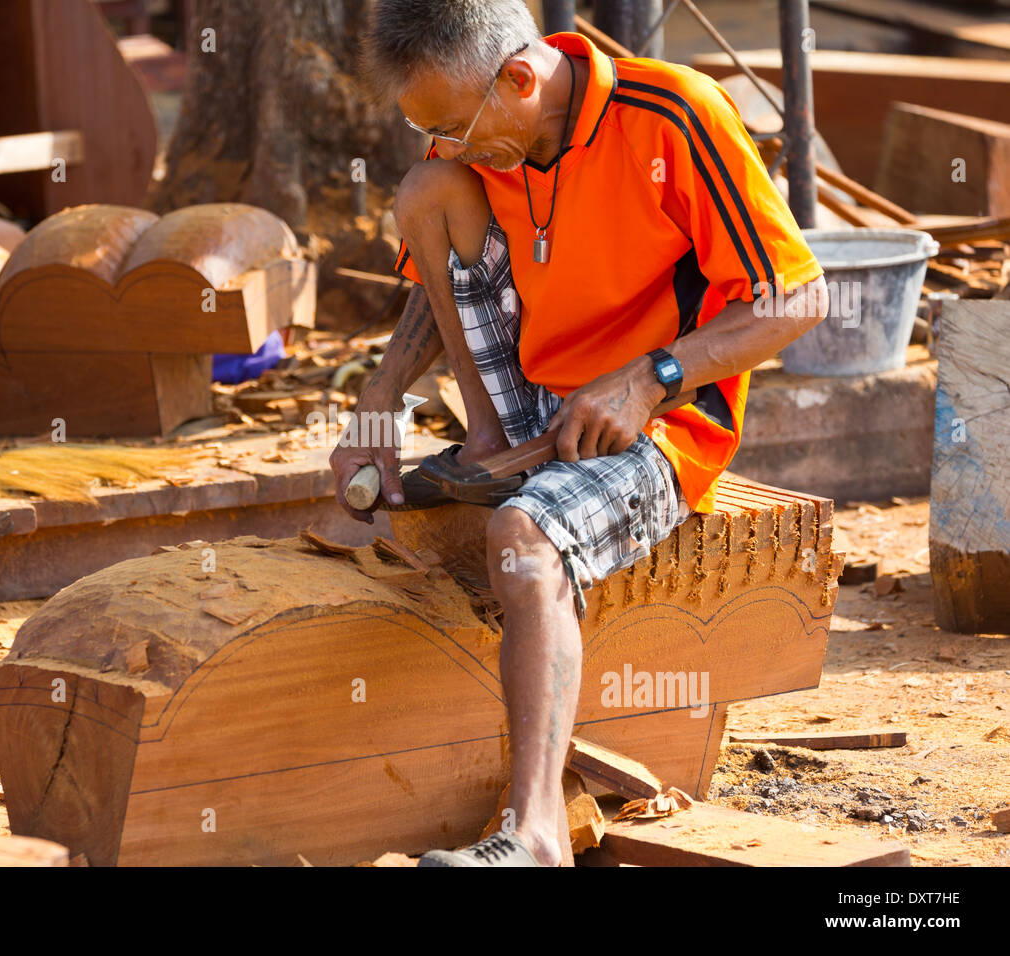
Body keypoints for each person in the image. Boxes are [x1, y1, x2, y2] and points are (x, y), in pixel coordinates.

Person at [329, 0, 829, 866]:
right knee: (427, 193)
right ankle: (491, 440)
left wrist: (650, 378)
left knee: (522, 536)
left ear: (519, 80)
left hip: (660, 421)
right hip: (540, 400)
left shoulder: (675, 114)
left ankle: (536, 834)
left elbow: (798, 297)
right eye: (431, 127)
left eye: (455, 127)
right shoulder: (481, 135)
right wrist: (375, 407)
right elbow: (437, 281)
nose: (448, 144)